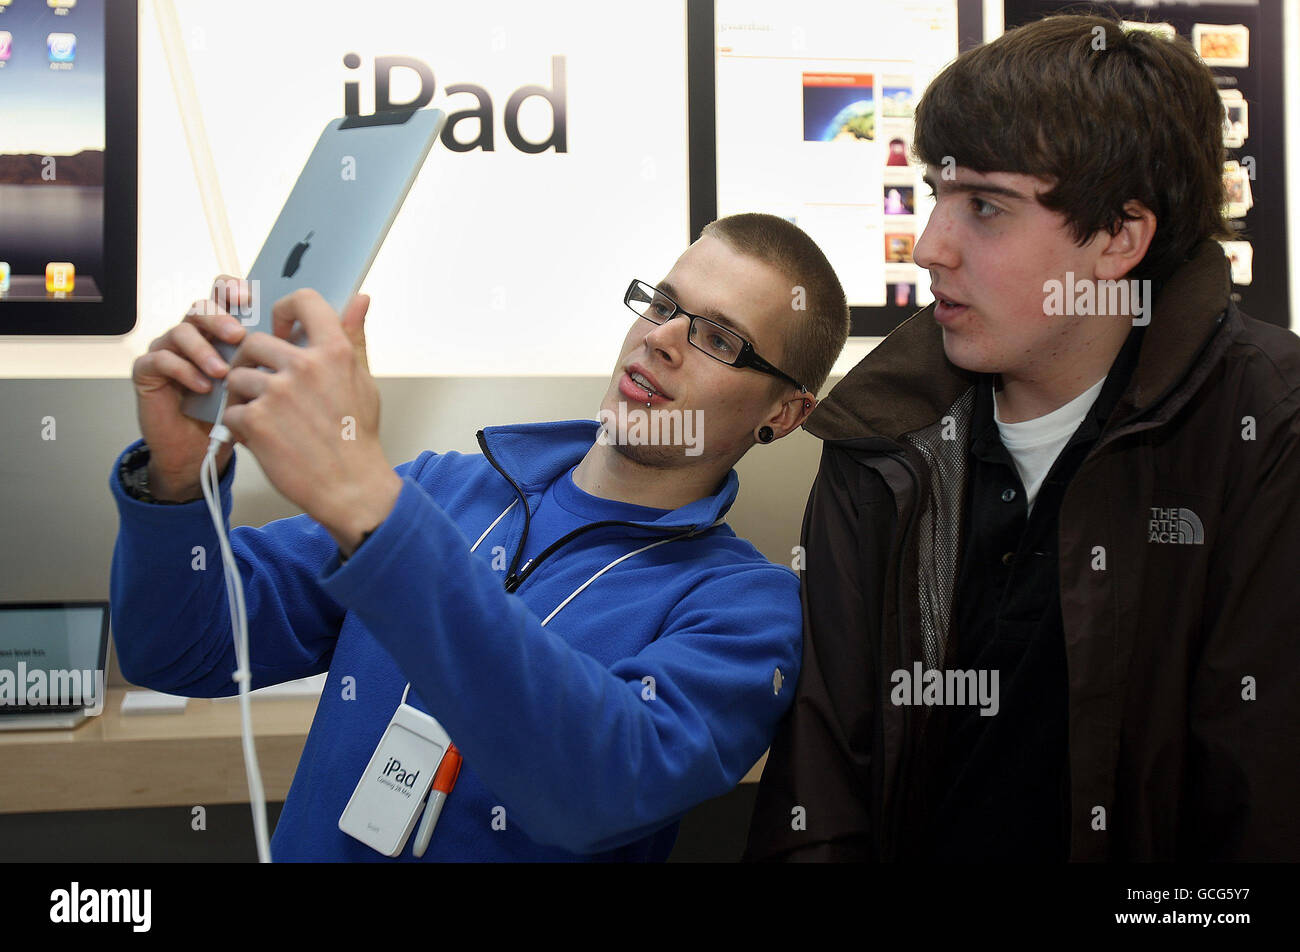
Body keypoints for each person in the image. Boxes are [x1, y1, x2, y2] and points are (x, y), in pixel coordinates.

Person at [110, 212, 850, 861]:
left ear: (784, 415)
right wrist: (175, 484)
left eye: (718, 338)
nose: (660, 339)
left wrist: (370, 505)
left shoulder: (749, 608)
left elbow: (600, 789)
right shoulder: (440, 489)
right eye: (663, 304)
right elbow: (180, 649)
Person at [746, 14, 1300, 862]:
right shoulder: (883, 439)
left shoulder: (1265, 430)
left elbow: (1255, 808)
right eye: (936, 195)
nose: (932, 247)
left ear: (1119, 238)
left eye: (985, 208)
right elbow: (817, 798)